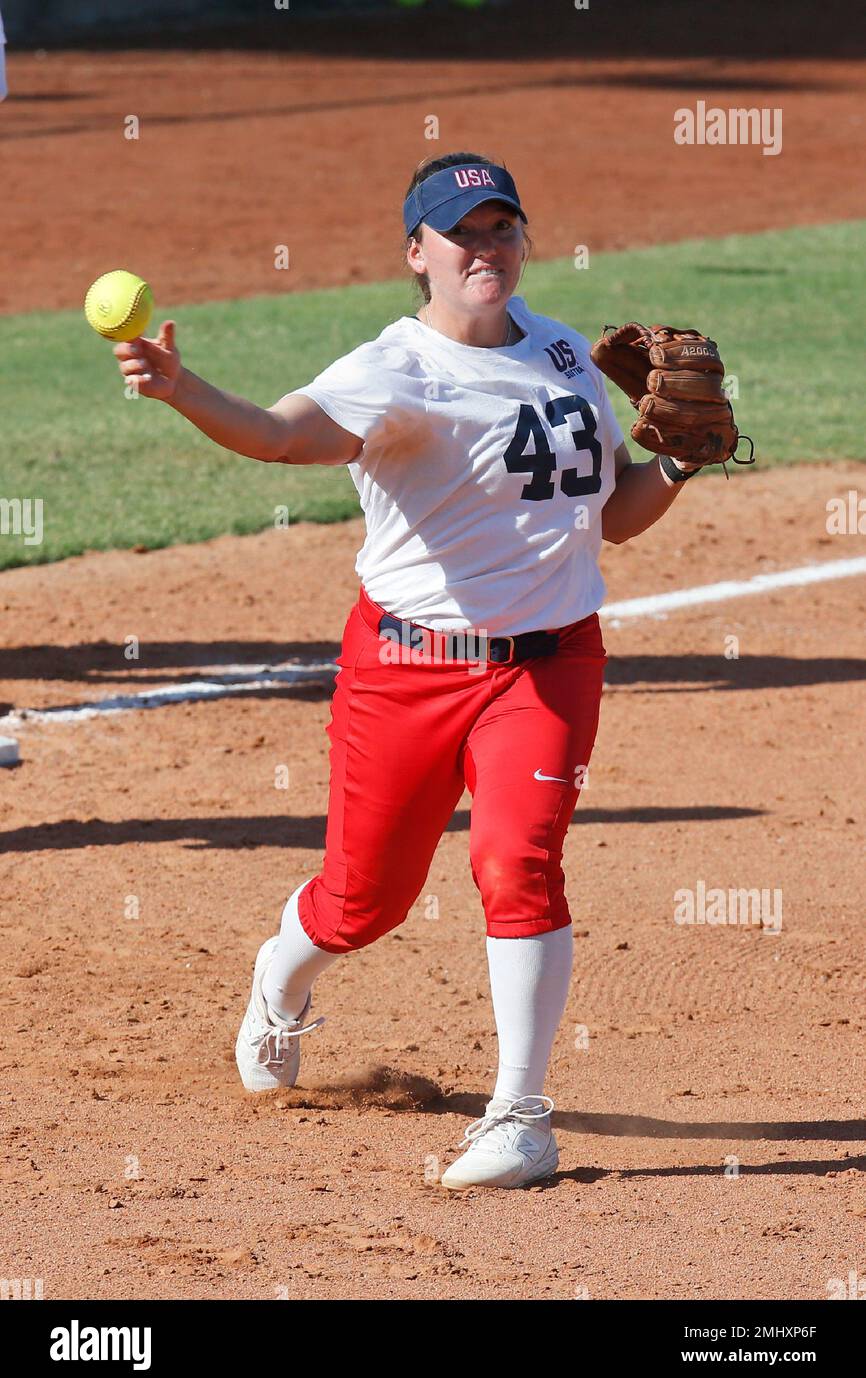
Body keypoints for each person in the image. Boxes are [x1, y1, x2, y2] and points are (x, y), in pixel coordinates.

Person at [113, 152, 692, 1190]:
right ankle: (278, 985)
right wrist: (182, 388)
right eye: (461, 232)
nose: (486, 248)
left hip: (548, 665)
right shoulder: (394, 368)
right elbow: (283, 437)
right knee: (362, 901)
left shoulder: (562, 356)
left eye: (501, 227)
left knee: (517, 865)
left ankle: (520, 1114)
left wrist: (678, 463)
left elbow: (610, 517)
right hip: (405, 668)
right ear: (415, 252)